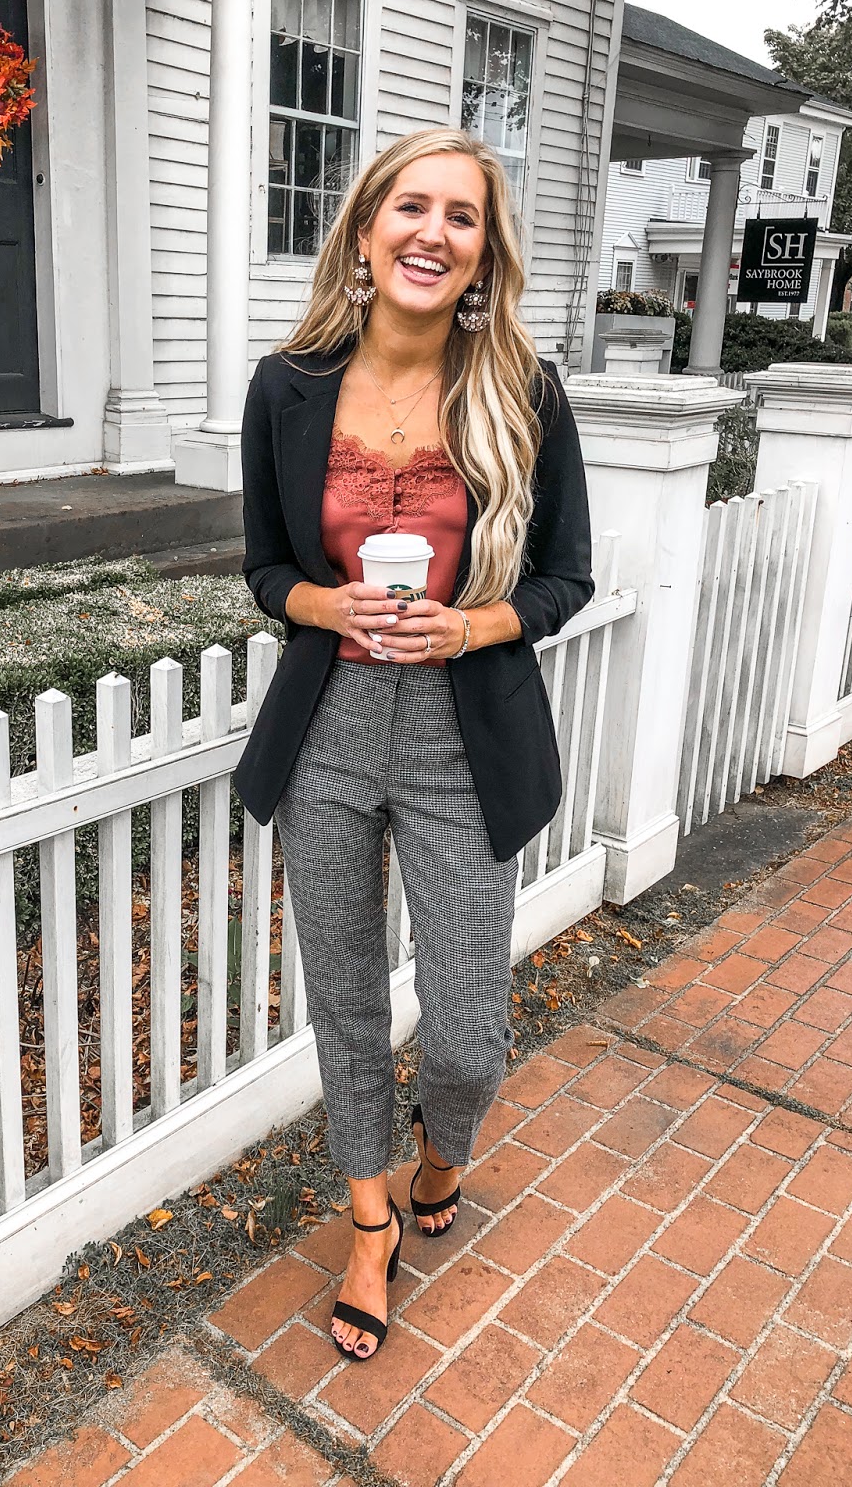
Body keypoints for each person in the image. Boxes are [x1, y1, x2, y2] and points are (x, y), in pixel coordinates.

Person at [233, 126, 594, 1362]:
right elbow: (264, 567)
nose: (432, 232)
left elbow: (567, 576)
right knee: (341, 1000)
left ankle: (446, 1149)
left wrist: (472, 625)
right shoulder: (287, 385)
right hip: (326, 729)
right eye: (411, 207)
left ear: (484, 251)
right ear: (368, 227)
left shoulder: (523, 391)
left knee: (464, 1028)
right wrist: (325, 604)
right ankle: (373, 1218)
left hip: (461, 739)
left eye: (462, 216)